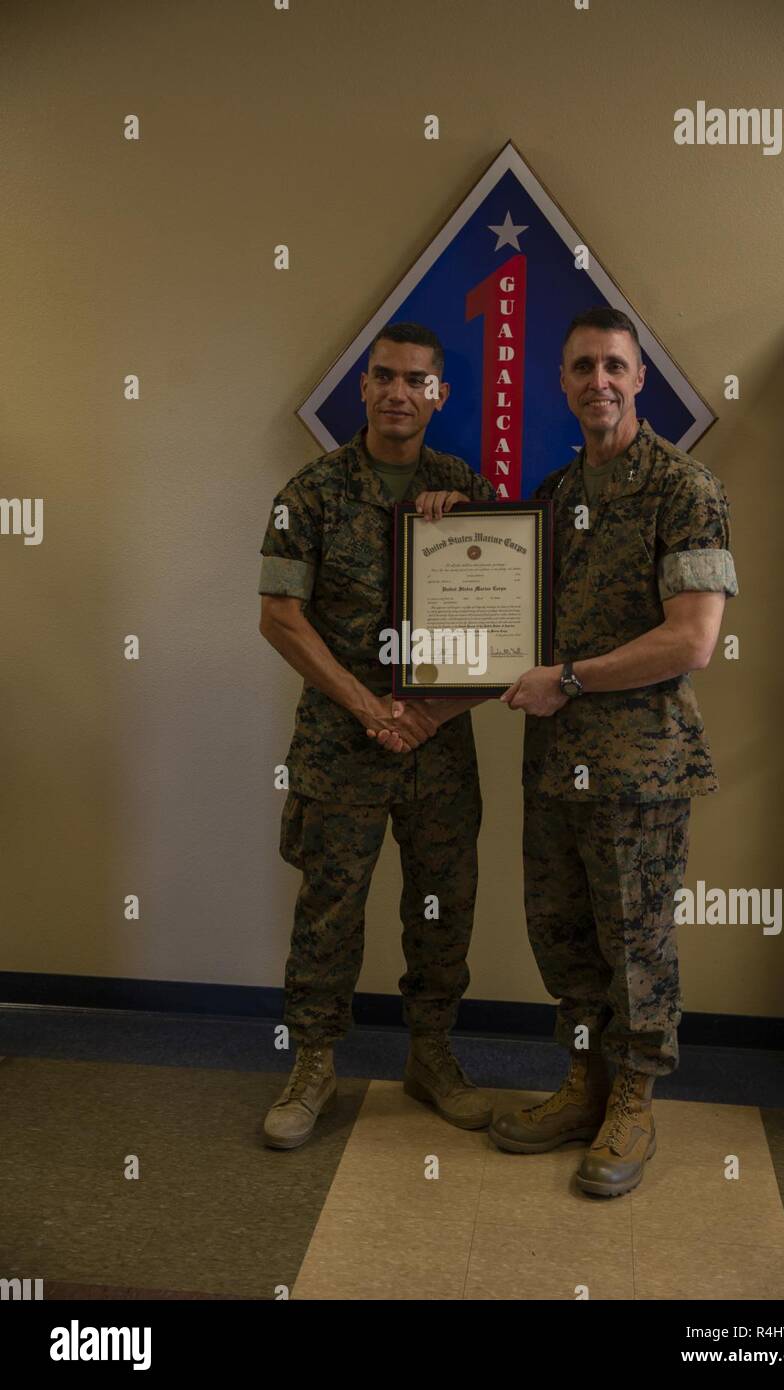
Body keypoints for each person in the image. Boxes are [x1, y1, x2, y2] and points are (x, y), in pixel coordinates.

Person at [487, 305, 739, 1195]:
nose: (598, 381)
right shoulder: (555, 498)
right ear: (563, 383)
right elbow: (502, 608)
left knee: (635, 941)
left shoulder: (684, 488)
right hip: (556, 762)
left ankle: (634, 1098)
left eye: (614, 367)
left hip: (639, 767)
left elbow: (693, 640)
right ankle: (584, 1084)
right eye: (583, 366)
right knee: (564, 937)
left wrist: (575, 680)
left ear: (640, 380)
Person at [257, 322, 495, 1150]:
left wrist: (431, 713)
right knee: (330, 910)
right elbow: (280, 620)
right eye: (384, 377)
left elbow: (505, 628)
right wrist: (369, 707)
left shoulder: (465, 486)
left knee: (443, 907)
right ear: (362, 387)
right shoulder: (311, 492)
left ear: (441, 394)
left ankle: (430, 1056)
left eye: (417, 380)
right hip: (340, 745)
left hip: (440, 747)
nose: (399, 393)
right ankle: (313, 1065)